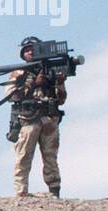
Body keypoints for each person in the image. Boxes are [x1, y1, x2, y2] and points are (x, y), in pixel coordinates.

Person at [9, 36, 66, 198]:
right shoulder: (19, 72)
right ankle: (21, 192)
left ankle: (54, 190)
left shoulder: (51, 69)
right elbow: (12, 96)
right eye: (26, 50)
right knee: (24, 156)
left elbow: (61, 98)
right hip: (28, 118)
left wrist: (59, 82)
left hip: (49, 118)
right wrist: (34, 83)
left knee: (50, 157)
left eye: (32, 49)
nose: (29, 52)